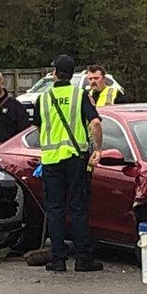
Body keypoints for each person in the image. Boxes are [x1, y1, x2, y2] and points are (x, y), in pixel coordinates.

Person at [34, 54, 104, 272]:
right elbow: (94, 123)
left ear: (55, 73)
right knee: (78, 208)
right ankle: (83, 258)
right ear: (74, 74)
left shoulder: (42, 98)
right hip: (75, 158)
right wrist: (98, 149)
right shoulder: (79, 95)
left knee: (54, 209)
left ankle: (57, 258)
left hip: (51, 161)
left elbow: (38, 128)